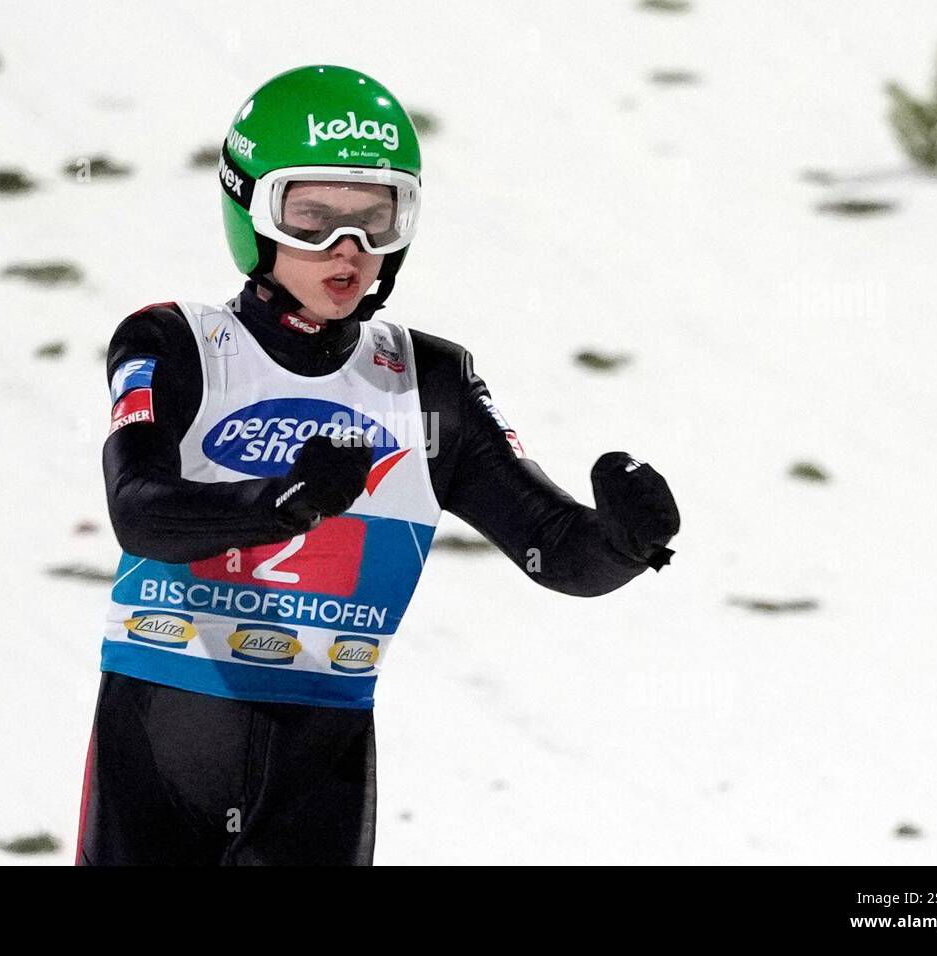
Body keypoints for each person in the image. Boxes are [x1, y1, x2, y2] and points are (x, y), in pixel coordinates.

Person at [75, 64, 680, 866]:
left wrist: (627, 545)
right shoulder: (174, 341)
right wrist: (279, 504)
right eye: (313, 216)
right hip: (161, 743)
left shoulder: (430, 381)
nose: (348, 250)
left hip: (320, 766)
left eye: (376, 218)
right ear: (248, 208)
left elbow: (557, 554)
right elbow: (139, 510)